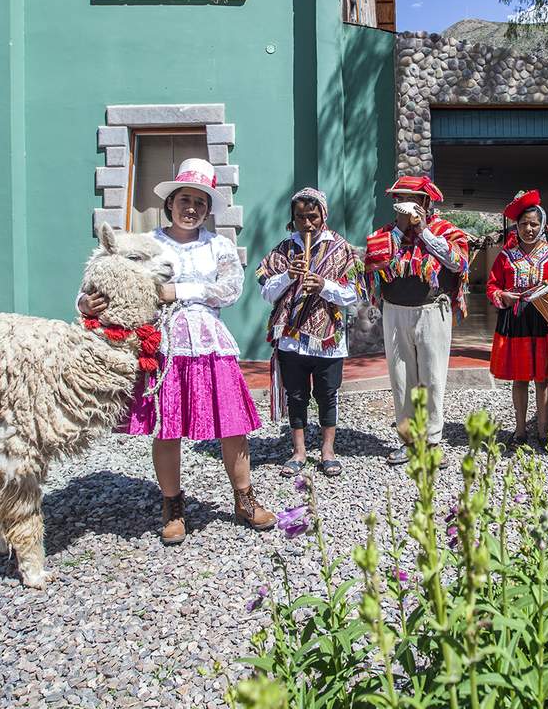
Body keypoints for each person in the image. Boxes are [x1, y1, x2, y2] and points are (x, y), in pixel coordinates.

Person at [78, 158, 275, 543]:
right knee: (167, 428)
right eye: (185, 199)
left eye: (200, 203)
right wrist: (86, 304)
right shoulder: (147, 245)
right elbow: (104, 277)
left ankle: (244, 498)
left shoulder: (219, 245)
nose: (192, 208)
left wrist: (179, 291)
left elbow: (230, 289)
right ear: (170, 203)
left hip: (209, 342)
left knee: (231, 423)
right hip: (164, 345)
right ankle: (173, 507)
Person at [256, 187, 363, 478]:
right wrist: (287, 277)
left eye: (313, 217)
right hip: (291, 338)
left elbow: (354, 293)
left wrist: (325, 287)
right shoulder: (283, 250)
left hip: (327, 340)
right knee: (296, 395)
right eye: (301, 217)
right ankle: (299, 451)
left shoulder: (341, 248)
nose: (308, 224)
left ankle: (328, 451)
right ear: (293, 218)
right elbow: (267, 292)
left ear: (323, 216)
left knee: (327, 394)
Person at [364, 175, 469, 466]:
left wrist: (423, 232)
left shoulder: (446, 231)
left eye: (408, 198)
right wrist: (399, 230)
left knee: (432, 377)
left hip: (432, 310)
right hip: (395, 311)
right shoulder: (385, 234)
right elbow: (374, 260)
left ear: (425, 202)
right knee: (401, 378)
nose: (401, 204)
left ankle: (432, 440)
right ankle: (409, 441)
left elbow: (458, 262)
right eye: (398, 199)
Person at [487, 190, 548, 447]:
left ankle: (542, 431)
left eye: (534, 224)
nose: (528, 228)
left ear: (542, 226)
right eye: (524, 223)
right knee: (520, 377)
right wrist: (503, 295)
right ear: (517, 225)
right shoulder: (505, 257)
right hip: (516, 321)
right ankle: (519, 430)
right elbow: (492, 287)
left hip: (545, 320)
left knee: (543, 377)